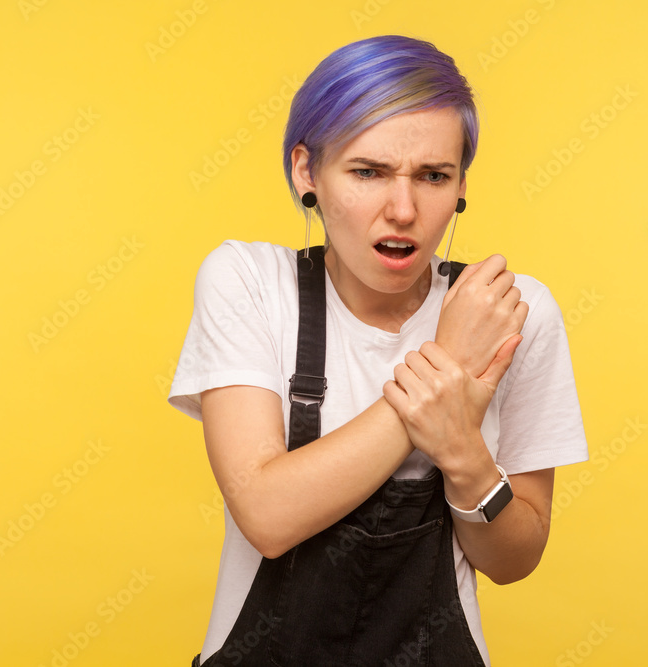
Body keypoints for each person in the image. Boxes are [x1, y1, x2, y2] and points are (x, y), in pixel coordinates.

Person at [169, 34, 588, 667]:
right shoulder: (250, 282)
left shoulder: (510, 311)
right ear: (306, 170)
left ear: (461, 184)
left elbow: (515, 560)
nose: (403, 209)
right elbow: (267, 514)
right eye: (368, 172)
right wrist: (443, 372)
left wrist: (465, 453)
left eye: (433, 176)